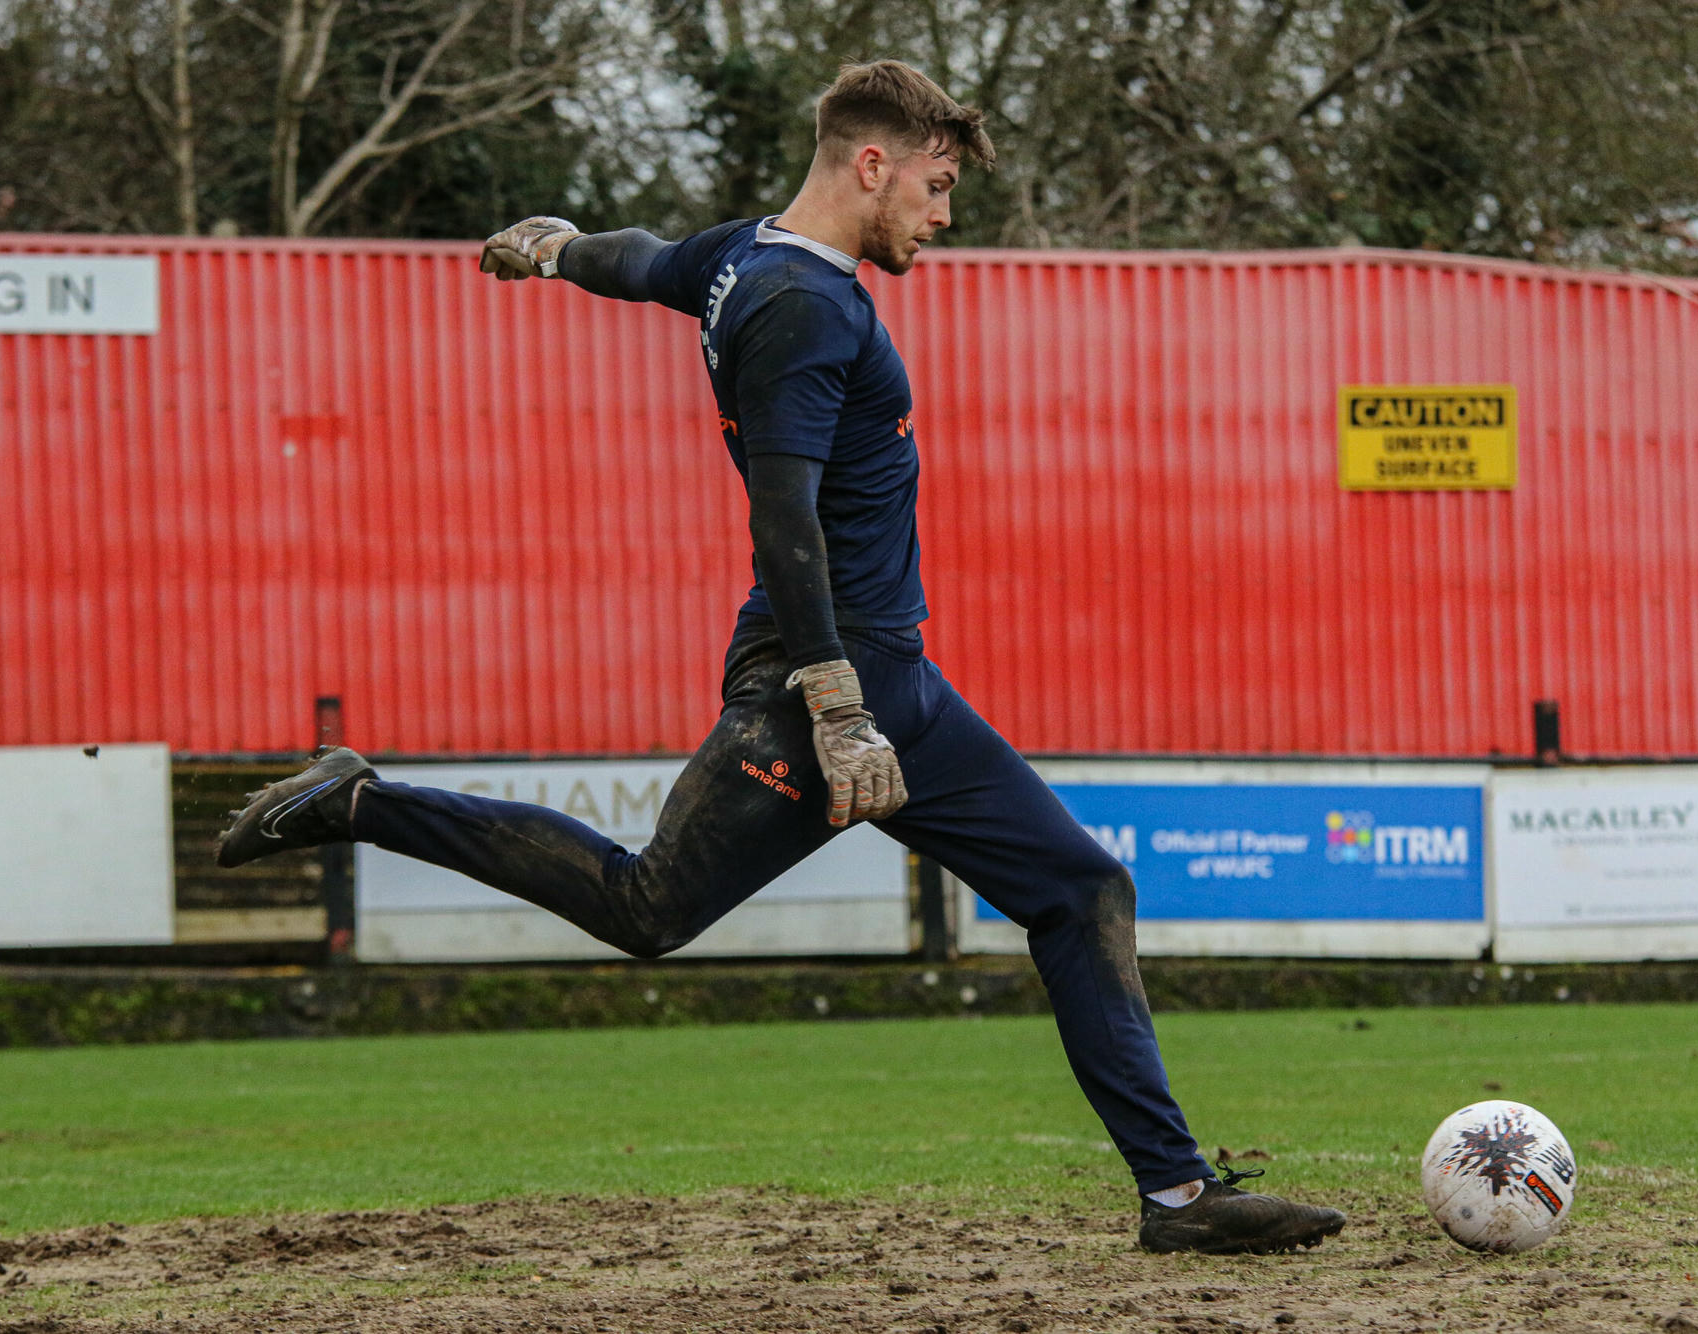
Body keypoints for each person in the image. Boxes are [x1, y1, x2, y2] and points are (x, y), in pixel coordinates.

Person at [217, 58, 1345, 1256]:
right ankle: (358, 800)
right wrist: (834, 703)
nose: (942, 213)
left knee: (1081, 889)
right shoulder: (804, 306)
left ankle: (1176, 1194)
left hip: (896, 679)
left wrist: (557, 249)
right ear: (872, 164)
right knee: (648, 905)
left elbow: (642, 258)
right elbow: (781, 513)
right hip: (828, 679)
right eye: (935, 185)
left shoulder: (738, 257)